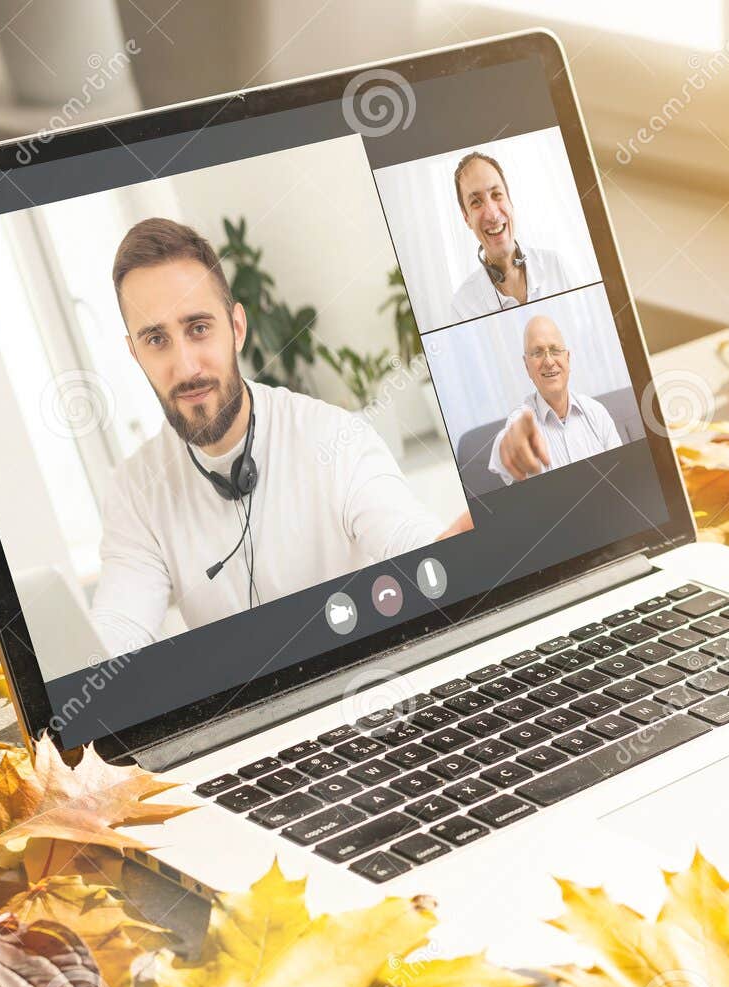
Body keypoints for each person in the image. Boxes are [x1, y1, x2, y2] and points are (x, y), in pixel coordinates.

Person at [90, 217, 468, 658]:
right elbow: (119, 627)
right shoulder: (136, 491)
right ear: (135, 354)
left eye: (198, 328)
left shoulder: (334, 436)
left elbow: (405, 534)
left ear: (236, 328)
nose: (186, 366)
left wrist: (450, 554)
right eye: (157, 339)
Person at [488, 314, 622, 485]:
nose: (549, 361)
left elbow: (621, 473)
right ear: (526, 366)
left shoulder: (596, 412)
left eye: (555, 350)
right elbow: (506, 445)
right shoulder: (521, 421)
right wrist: (506, 446)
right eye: (537, 353)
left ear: (568, 358)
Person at [450, 151, 574, 321]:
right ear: (466, 218)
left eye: (496, 195)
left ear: (510, 200)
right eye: (476, 202)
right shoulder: (463, 307)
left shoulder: (556, 267)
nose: (492, 215)